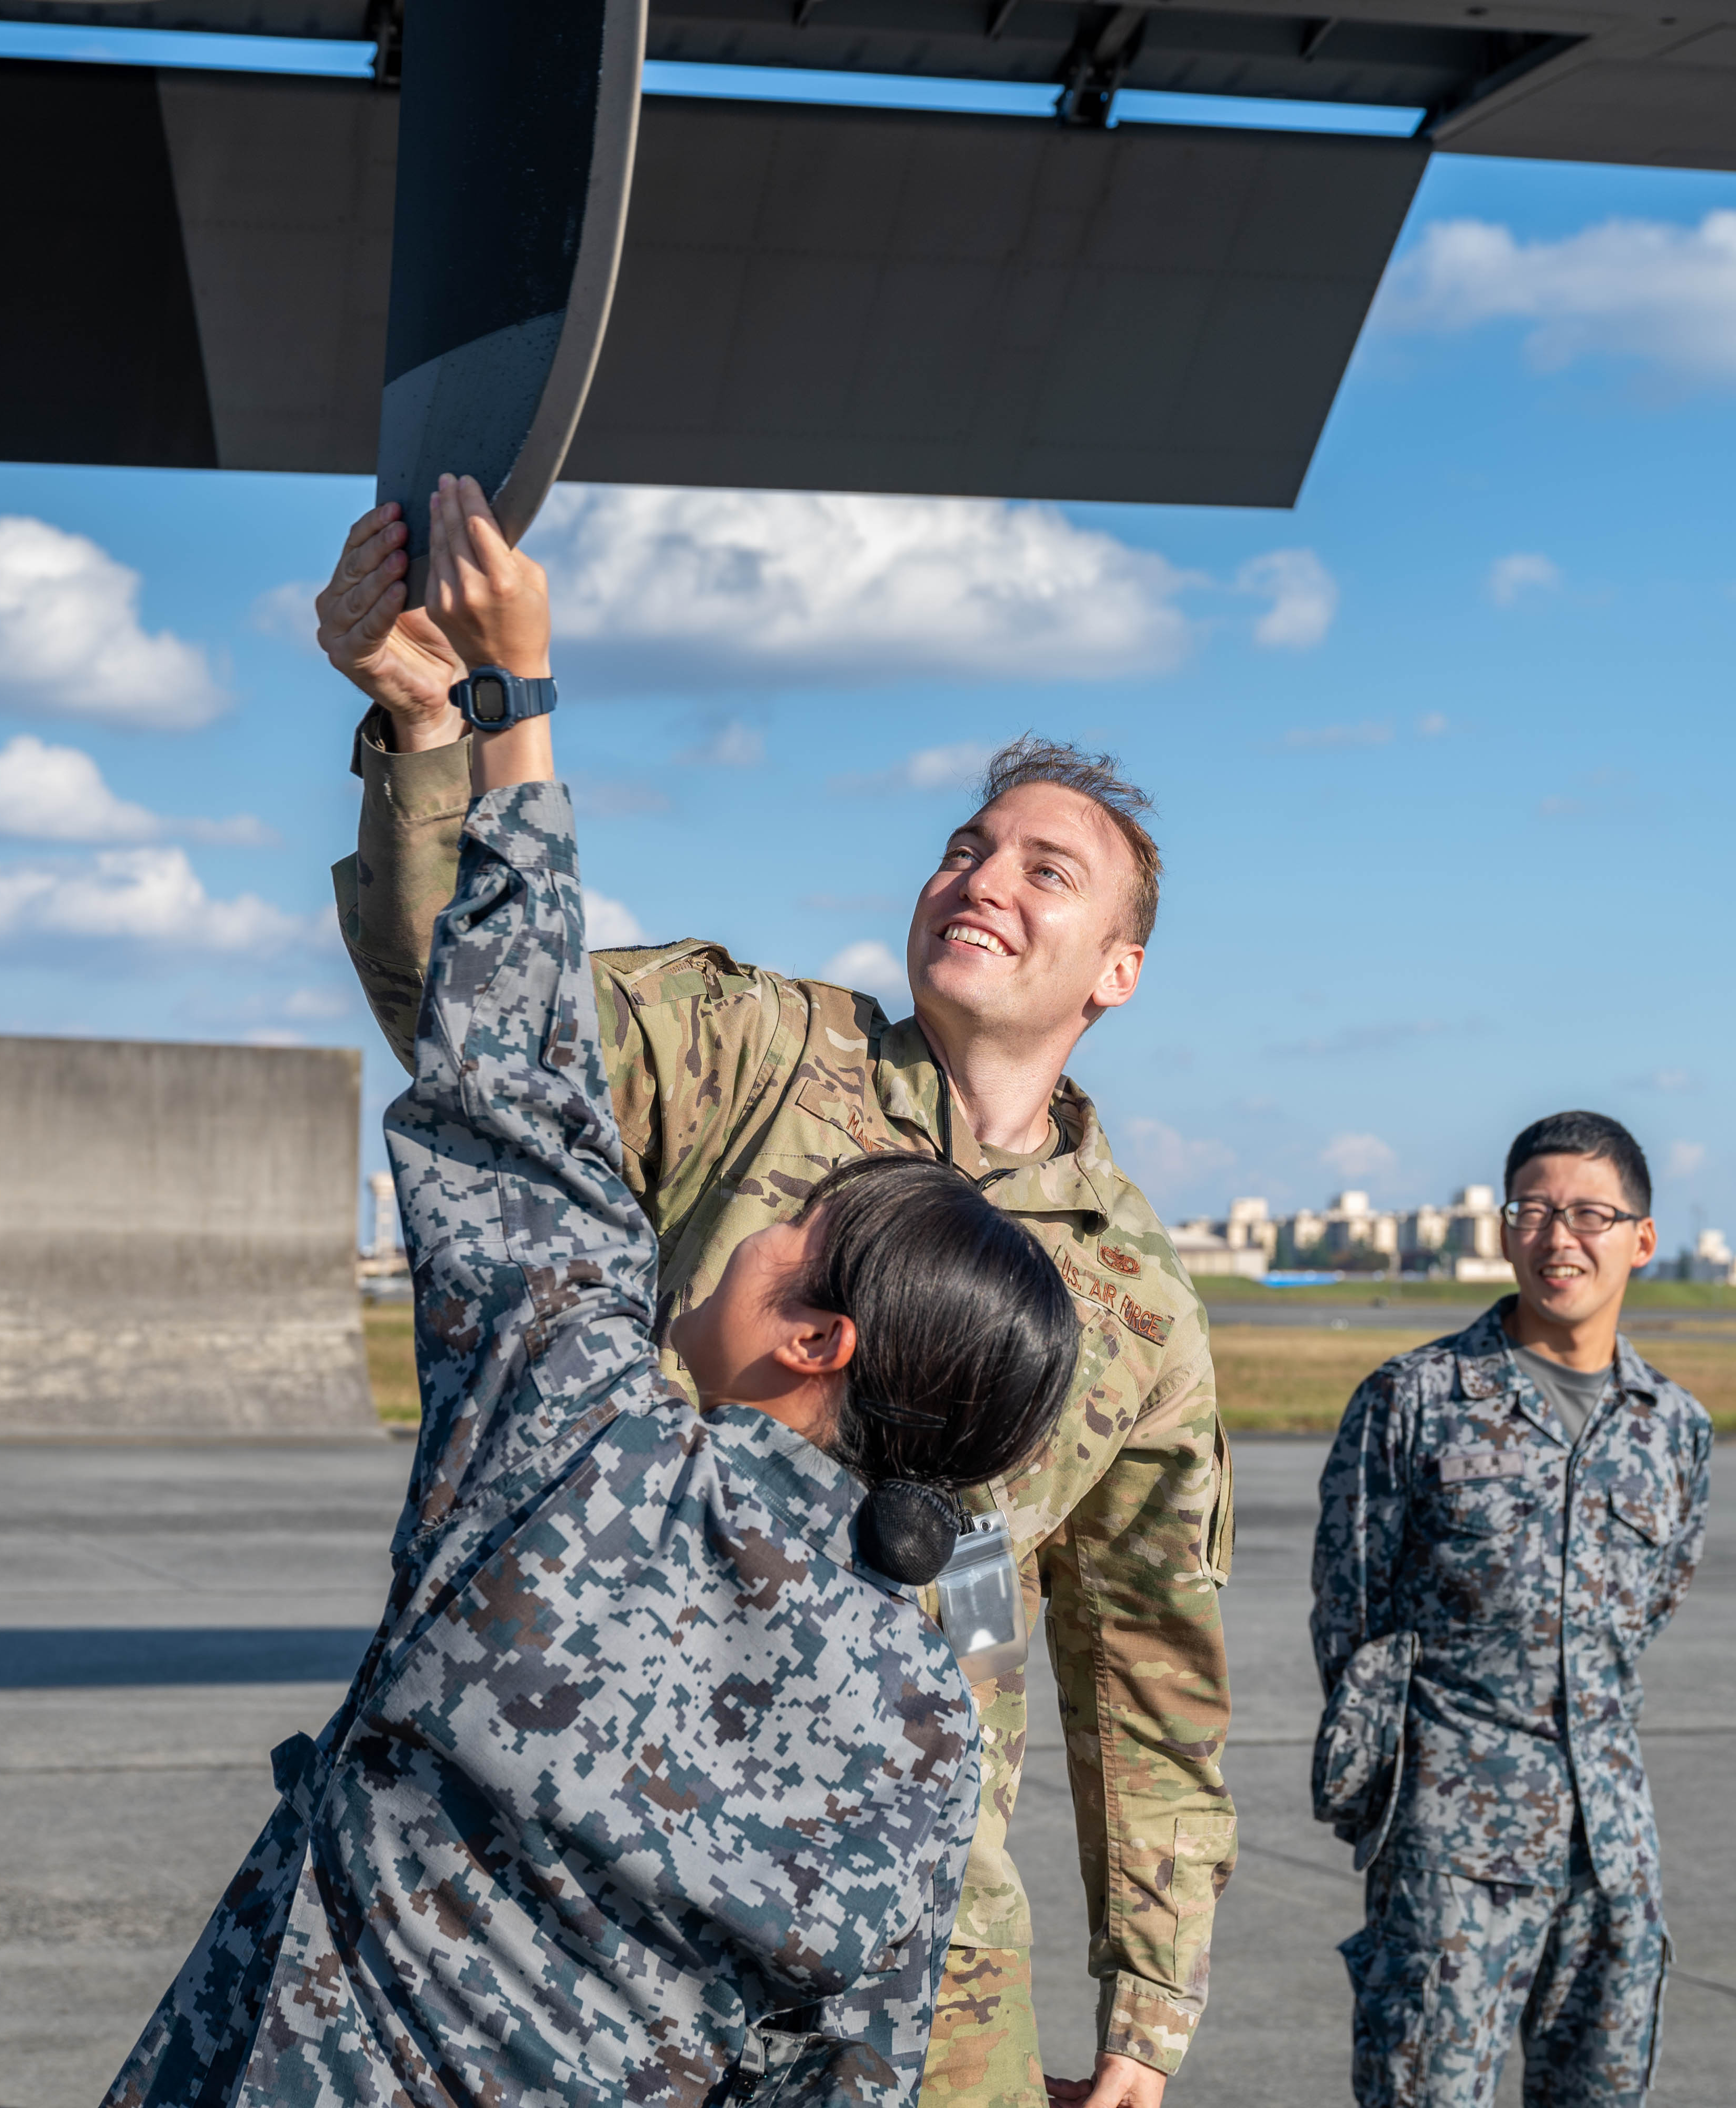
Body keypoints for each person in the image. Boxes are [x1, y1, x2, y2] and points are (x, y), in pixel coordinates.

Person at [104, 478, 1081, 2108]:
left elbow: (515, 1089)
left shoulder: (580, 1444)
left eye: (784, 1226)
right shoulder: (926, 1730)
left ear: (813, 1336)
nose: (744, 1231)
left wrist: (507, 712)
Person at [310, 502, 1237, 2108]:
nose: (982, 877)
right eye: (965, 843)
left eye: (1046, 868)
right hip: (605, 1858)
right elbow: (487, 1026)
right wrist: (426, 731)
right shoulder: (748, 1051)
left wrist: (1148, 2019)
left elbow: (1148, 1666)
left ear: (1118, 973)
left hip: (917, 1946)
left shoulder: (1140, 1303)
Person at [1308, 1112, 1712, 2108]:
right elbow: (1348, 1620)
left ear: (1642, 1241)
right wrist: (1391, 1805)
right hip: (1452, 1851)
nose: (1557, 1237)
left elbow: (1648, 1612)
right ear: (1502, 1230)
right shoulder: (1416, 1401)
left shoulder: (1675, 1430)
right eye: (1532, 1210)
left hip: (1611, 1848)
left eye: (1589, 1214)